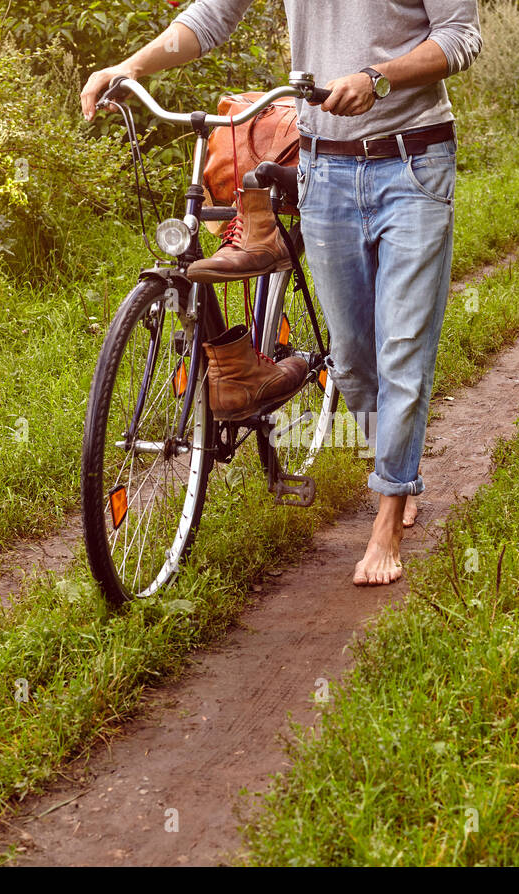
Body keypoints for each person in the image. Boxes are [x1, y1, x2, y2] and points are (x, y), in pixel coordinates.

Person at [81, 1, 481, 587]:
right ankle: (395, 466)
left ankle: (390, 511)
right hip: (326, 170)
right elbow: (213, 15)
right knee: (352, 358)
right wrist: (135, 66)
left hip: (413, 163)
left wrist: (380, 78)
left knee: (402, 346)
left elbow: (462, 37)